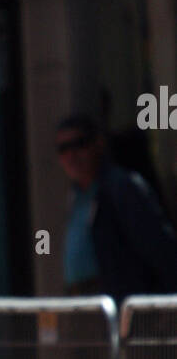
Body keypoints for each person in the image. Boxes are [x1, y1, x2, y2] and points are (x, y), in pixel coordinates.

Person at [56, 114, 177, 302]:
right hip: (83, 305)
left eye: (79, 144)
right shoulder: (74, 196)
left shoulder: (121, 188)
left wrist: (162, 305)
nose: (71, 155)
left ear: (98, 144)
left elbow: (161, 251)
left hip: (122, 307)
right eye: (63, 149)